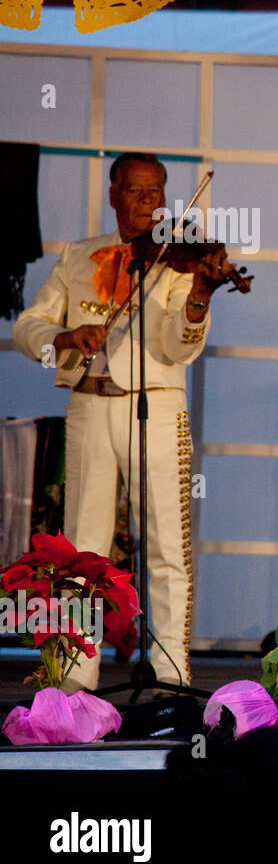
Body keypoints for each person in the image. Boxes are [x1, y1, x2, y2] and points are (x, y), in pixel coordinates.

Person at [13, 152, 236, 693]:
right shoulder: (78, 254)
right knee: (80, 554)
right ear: (113, 195)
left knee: (165, 545)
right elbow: (29, 325)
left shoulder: (182, 257)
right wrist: (62, 339)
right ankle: (74, 679)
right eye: (134, 190)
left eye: (156, 191)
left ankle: (172, 673)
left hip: (155, 406)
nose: (146, 201)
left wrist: (200, 299)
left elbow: (176, 348)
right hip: (88, 406)